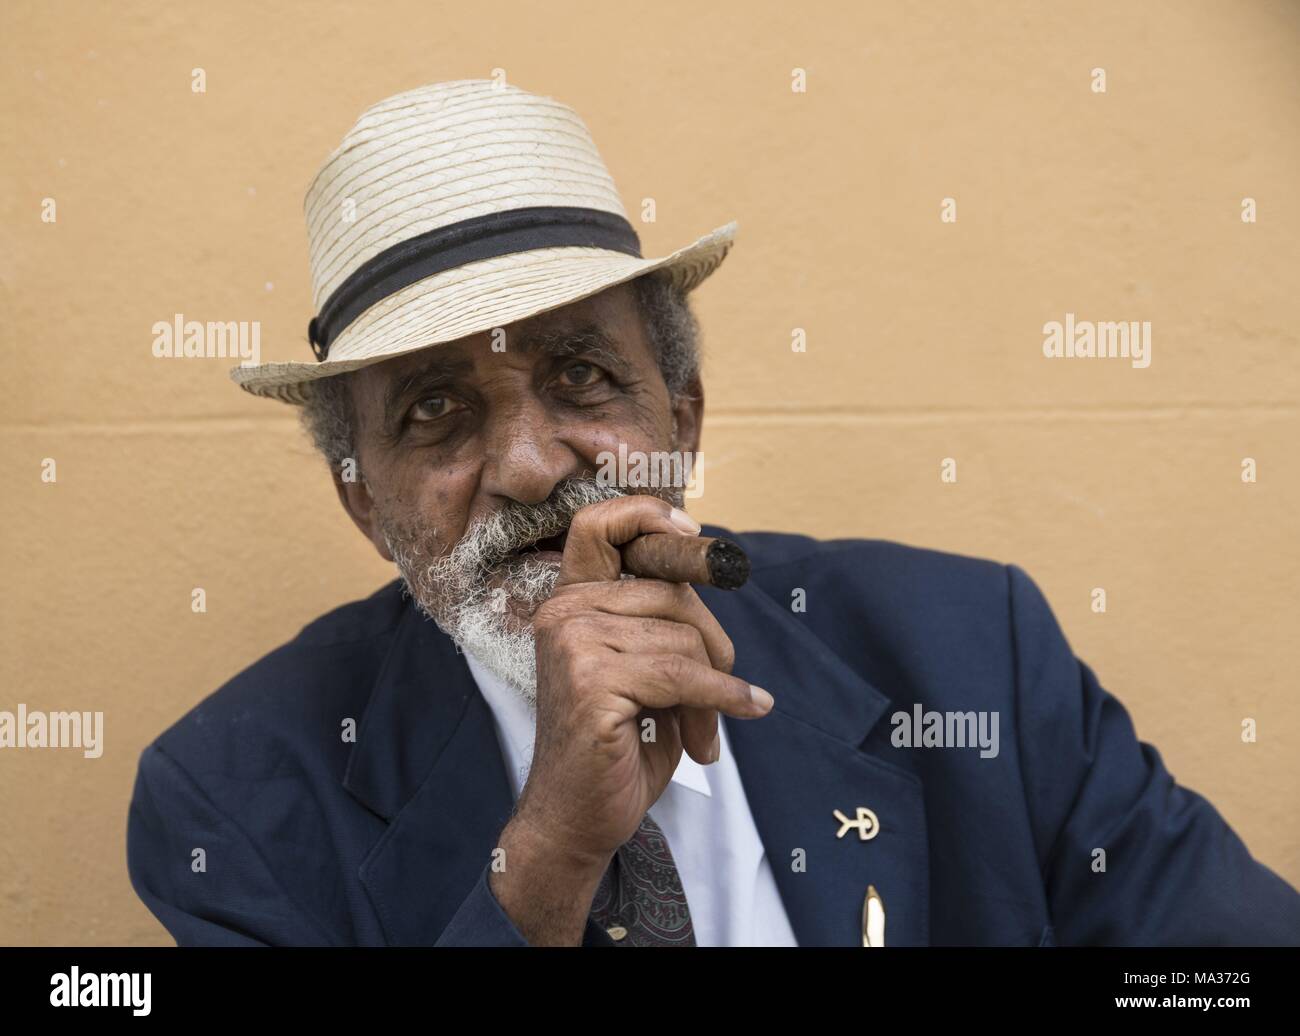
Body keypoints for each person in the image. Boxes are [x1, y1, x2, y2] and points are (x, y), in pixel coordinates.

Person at [126, 79, 1300, 946]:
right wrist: (541, 865)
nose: (531, 467)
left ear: (681, 417)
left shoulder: (968, 655)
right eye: (434, 410)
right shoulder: (235, 797)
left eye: (581, 375)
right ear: (365, 506)